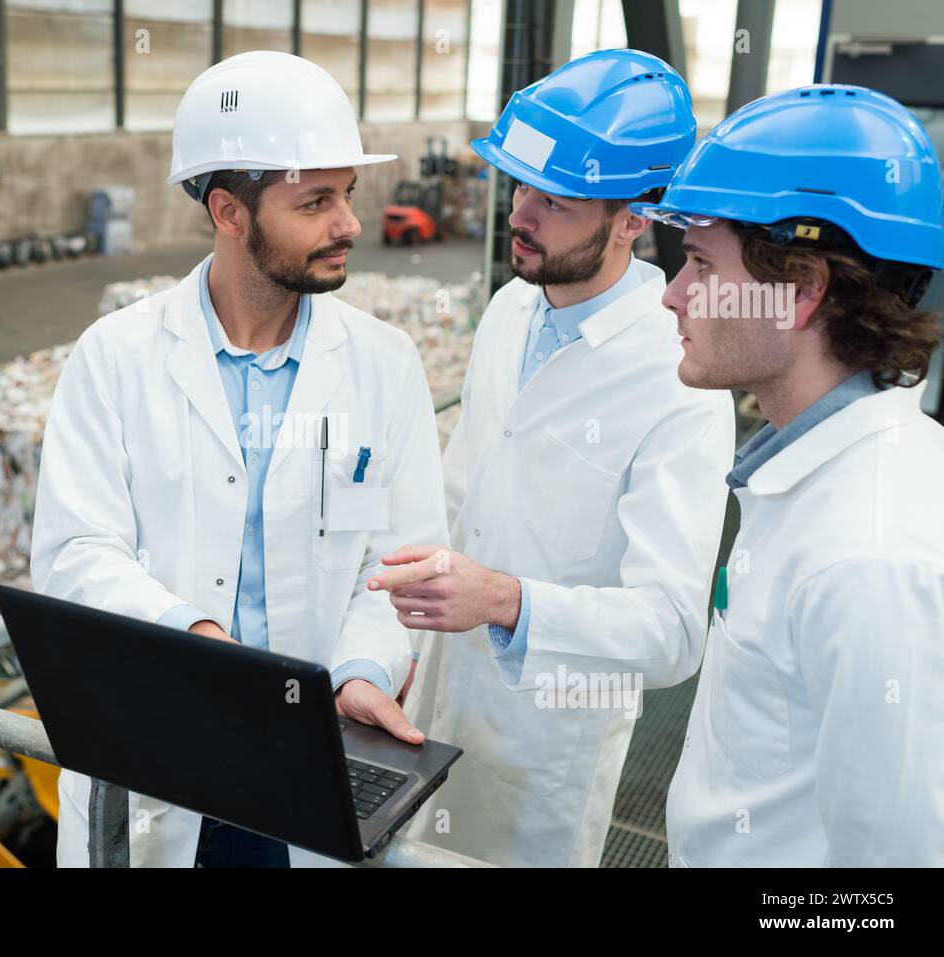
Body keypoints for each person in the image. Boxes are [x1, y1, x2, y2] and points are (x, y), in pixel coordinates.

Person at [30, 51, 448, 868]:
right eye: (315, 202)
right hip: (161, 761)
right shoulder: (115, 358)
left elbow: (398, 564)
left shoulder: (384, 364)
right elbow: (76, 552)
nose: (349, 224)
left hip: (312, 762)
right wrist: (194, 639)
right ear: (229, 211)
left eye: (348, 195)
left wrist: (361, 671)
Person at [368, 50, 736, 866]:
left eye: (556, 200)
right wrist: (395, 653)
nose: (520, 215)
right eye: (520, 186)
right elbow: (456, 501)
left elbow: (674, 630)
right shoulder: (509, 309)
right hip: (431, 704)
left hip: (546, 746)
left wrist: (504, 600)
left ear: (636, 218)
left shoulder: (680, 375)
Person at [632, 83, 944, 866]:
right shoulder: (809, 476)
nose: (672, 295)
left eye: (700, 265)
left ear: (801, 290)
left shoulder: (870, 555)